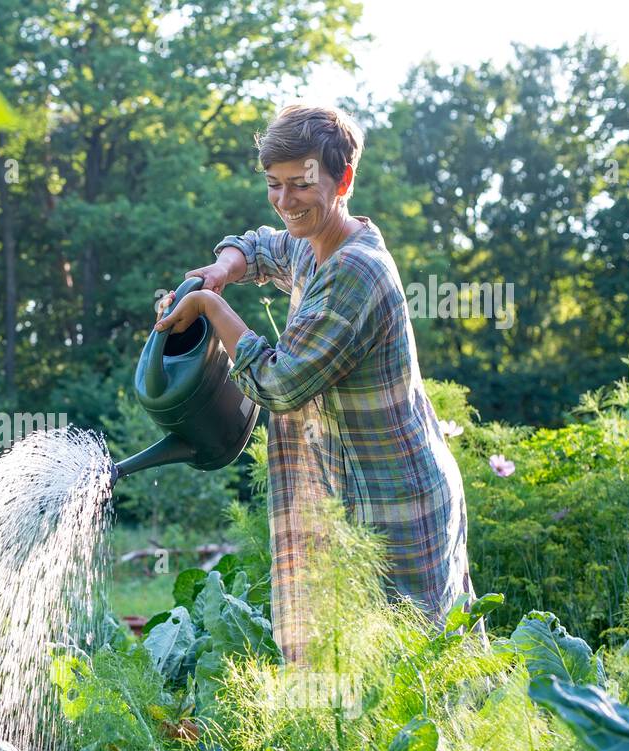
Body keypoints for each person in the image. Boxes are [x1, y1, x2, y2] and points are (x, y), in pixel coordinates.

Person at [155, 103, 479, 664]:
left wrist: (210, 305)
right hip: (346, 497)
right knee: (353, 681)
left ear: (343, 179)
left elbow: (280, 384)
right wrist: (221, 270)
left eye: (301, 185)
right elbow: (259, 246)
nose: (285, 202)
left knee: (425, 677)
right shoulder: (313, 246)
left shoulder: (356, 270)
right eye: (273, 186)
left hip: (395, 505)